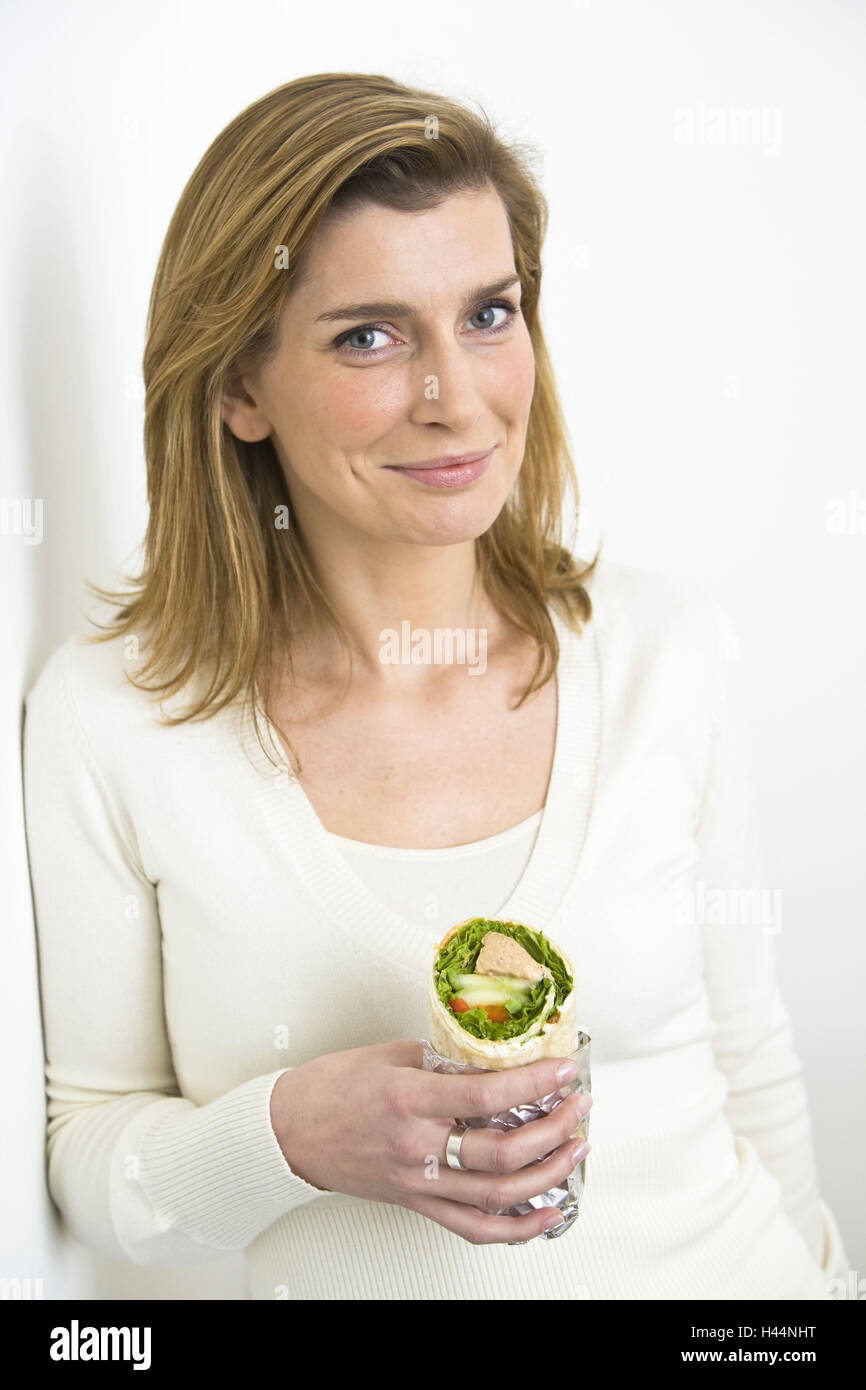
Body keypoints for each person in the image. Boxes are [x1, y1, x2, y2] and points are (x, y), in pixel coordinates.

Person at [23, 72, 850, 1301]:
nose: (455, 398)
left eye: (487, 313)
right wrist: (290, 1133)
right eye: (369, 333)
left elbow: (749, 1068)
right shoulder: (112, 721)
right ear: (239, 388)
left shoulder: (663, 650)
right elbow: (87, 1153)